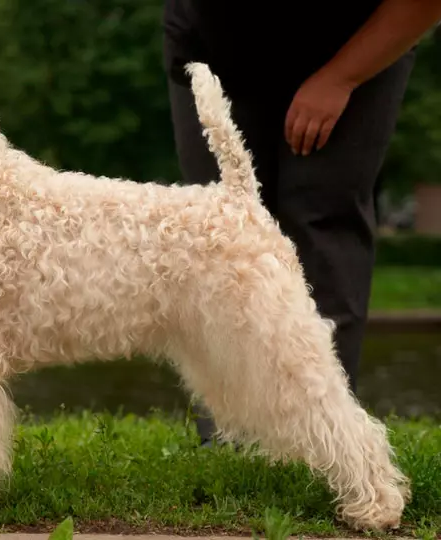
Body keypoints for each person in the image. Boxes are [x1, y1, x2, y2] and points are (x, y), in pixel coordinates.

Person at [163, 0, 441, 445]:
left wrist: (340, 79)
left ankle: (328, 444)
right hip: (217, 44)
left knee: (322, 219)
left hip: (353, 36)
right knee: (217, 245)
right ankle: (226, 440)